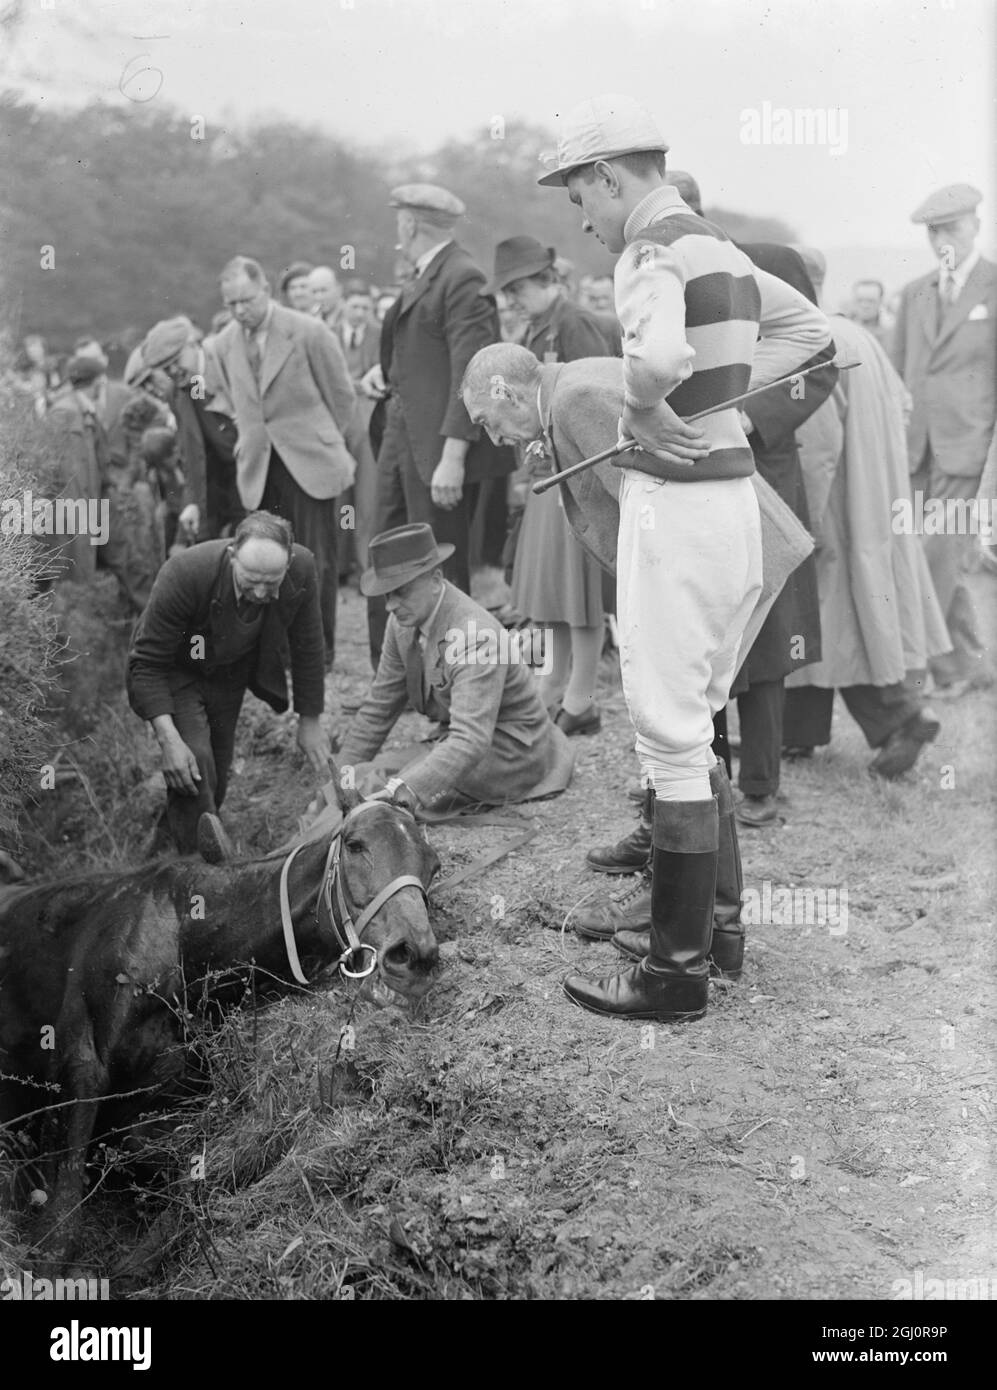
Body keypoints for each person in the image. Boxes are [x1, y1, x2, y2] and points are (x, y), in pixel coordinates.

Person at [532, 93, 834, 1023]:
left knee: (666, 733)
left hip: (680, 510)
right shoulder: (724, 250)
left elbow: (657, 353)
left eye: (578, 197)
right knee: (696, 724)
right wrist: (729, 413)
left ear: (608, 175)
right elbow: (809, 337)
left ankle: (672, 975)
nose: (580, 219)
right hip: (737, 503)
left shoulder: (650, 250)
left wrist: (643, 411)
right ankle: (721, 934)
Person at [783, 255, 948, 776]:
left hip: (830, 501)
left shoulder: (808, 338)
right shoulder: (855, 333)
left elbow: (816, 444)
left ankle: (897, 717)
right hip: (868, 498)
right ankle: (802, 733)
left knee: (828, 620)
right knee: (841, 619)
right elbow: (900, 404)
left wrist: (797, 519)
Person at [361, 184, 514, 664]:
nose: (397, 232)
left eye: (398, 223)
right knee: (387, 553)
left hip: (437, 451)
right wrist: (384, 375)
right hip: (400, 438)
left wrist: (453, 457)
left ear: (409, 224)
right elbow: (422, 353)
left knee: (438, 567)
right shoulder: (426, 274)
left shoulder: (462, 277)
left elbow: (472, 373)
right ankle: (395, 679)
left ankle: (456, 683)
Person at [126, 510, 329, 859]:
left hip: (230, 674)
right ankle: (202, 871)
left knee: (214, 778)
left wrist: (309, 720)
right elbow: (145, 665)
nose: (262, 592)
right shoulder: (185, 573)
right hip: (178, 670)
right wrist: (167, 739)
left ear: (289, 560)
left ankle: (165, 845)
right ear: (233, 556)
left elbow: (308, 645)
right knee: (194, 759)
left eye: (272, 581)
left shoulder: (301, 568)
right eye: (251, 580)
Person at [334, 524, 573, 814]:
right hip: (463, 741)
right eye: (386, 594)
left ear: (436, 580)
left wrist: (401, 792)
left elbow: (470, 740)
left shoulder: (474, 635)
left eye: (401, 591)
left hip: (511, 754)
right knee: (355, 784)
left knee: (377, 800)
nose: (391, 606)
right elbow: (379, 707)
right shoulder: (403, 622)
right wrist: (339, 780)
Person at [211, 255, 367, 664]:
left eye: (246, 300)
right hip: (259, 470)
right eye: (231, 304)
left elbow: (342, 398)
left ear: (265, 289)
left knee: (315, 560)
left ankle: (318, 652)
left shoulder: (308, 332)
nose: (240, 311)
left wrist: (321, 441)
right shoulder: (222, 344)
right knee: (264, 562)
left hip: (311, 464)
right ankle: (273, 653)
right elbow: (233, 401)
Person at [486, 234, 613, 732]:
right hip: (546, 473)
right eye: (507, 291)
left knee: (579, 597)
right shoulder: (537, 326)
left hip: (574, 476)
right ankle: (552, 686)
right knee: (551, 596)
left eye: (517, 287)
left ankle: (580, 701)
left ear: (546, 281)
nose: (510, 299)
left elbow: (592, 399)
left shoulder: (576, 323)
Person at [891, 182, 997, 697]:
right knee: (932, 559)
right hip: (916, 450)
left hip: (968, 451)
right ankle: (970, 666)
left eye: (951, 227)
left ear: (976, 224)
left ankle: (944, 672)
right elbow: (898, 374)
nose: (941, 239)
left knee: (937, 557)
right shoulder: (914, 293)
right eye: (933, 231)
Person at [337, 282, 383, 575]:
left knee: (367, 498)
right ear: (343, 304)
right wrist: (358, 384)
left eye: (365, 307)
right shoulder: (325, 334)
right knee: (341, 501)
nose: (359, 313)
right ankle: (340, 564)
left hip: (367, 425)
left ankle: (366, 565)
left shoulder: (379, 334)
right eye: (354, 306)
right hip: (337, 424)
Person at [849, 278, 893, 351]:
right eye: (860, 300)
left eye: (871, 301)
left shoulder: (890, 332)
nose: (864, 305)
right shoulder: (846, 330)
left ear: (881, 301)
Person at [307, 265, 343, 330]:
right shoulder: (310, 318)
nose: (319, 297)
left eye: (323, 290)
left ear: (338, 289)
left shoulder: (352, 316)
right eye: (314, 292)